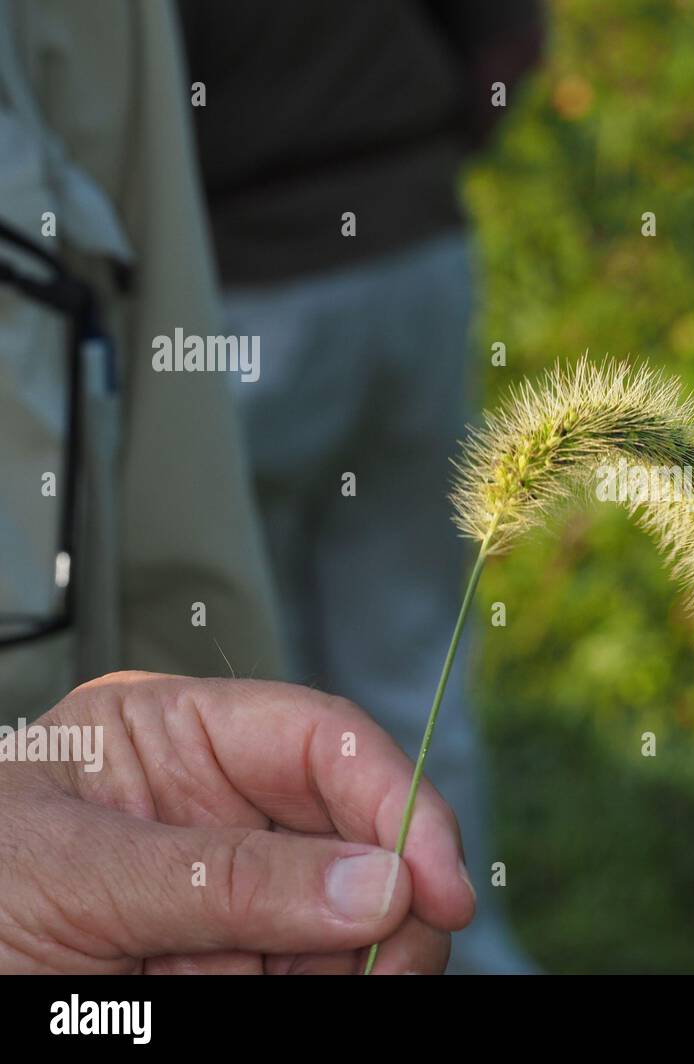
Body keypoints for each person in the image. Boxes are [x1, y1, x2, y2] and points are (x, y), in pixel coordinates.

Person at [0, 0, 469, 972]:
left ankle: (392, 904)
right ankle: (436, 920)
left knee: (299, 675)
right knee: (403, 660)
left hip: (259, 287)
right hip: (416, 248)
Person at [179, 0, 545, 973]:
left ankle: (334, 940)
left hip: (239, 285)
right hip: (413, 252)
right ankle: (459, 946)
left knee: (245, 664)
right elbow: (509, 40)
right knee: (410, 651)